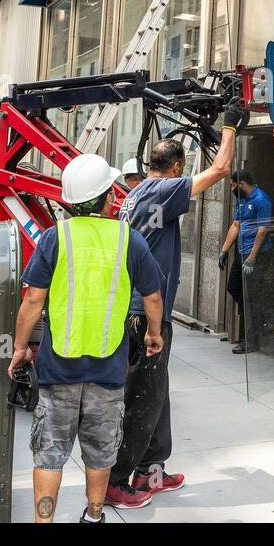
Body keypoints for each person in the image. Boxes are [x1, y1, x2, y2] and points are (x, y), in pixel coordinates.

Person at [8, 153, 165, 524]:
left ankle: (43, 521)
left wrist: (19, 348)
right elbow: (153, 296)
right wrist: (154, 334)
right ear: (107, 198)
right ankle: (93, 516)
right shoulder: (129, 238)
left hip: (58, 367)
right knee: (99, 452)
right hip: (108, 368)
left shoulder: (54, 237)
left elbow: (33, 300)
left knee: (49, 453)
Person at [105, 107, 241, 508]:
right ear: (177, 167)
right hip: (145, 315)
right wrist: (230, 126)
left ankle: (151, 469)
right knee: (143, 400)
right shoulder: (164, 191)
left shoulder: (135, 194)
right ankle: (116, 480)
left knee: (157, 393)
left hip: (137, 309)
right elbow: (219, 170)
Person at [218, 169, 272, 355]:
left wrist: (252, 258)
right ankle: (256, 322)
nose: (232, 188)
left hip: (256, 255)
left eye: (233, 185)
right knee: (234, 287)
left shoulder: (261, 200)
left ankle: (251, 339)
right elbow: (236, 225)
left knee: (251, 297)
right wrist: (224, 250)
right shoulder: (241, 199)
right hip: (241, 253)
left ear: (241, 184)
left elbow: (262, 230)